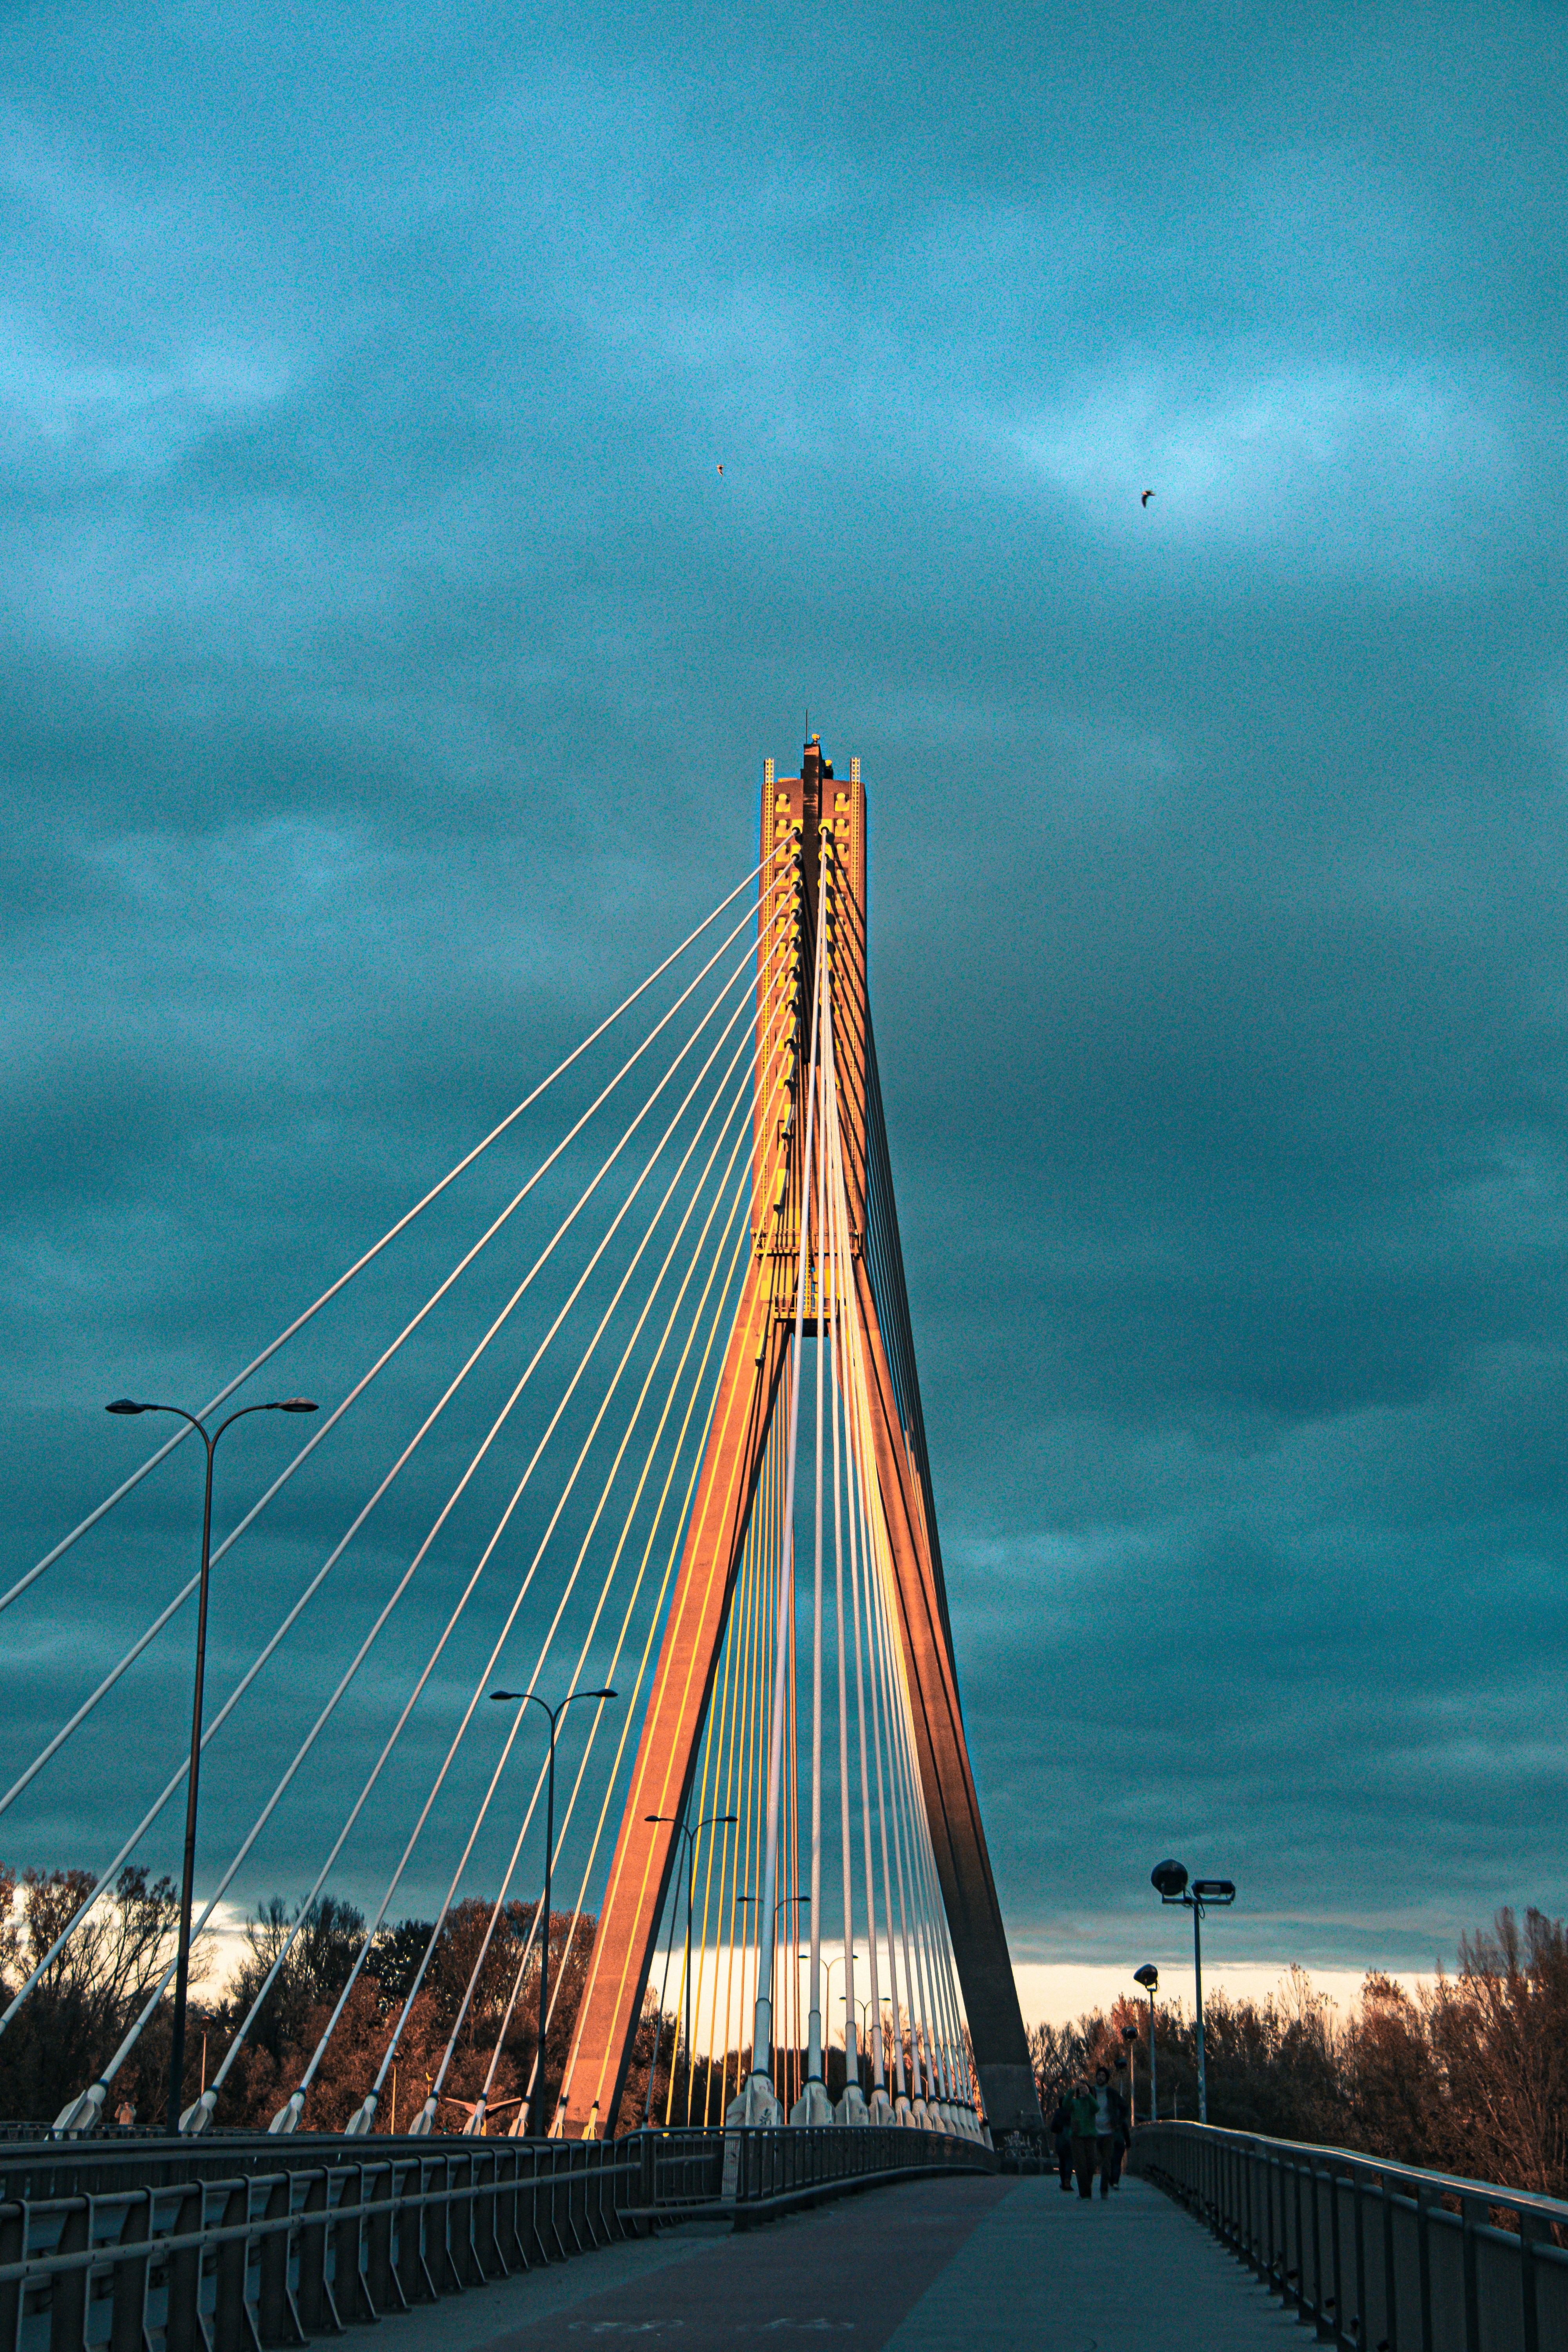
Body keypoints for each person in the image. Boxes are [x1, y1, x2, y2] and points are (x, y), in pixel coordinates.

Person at [1067, 2075, 1098, 2199]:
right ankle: (1085, 2193)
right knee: (1081, 2166)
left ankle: (1087, 2189)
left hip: (1090, 2137)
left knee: (1091, 2165)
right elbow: (1065, 2105)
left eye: (1084, 2088)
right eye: (1080, 2089)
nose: (1082, 2090)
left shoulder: (1091, 2102)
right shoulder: (1075, 2102)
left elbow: (1096, 2108)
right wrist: (1071, 2091)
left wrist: (1089, 2095)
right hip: (1077, 2137)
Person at [1091, 2063, 1119, 2198]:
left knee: (1107, 2161)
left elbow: (1123, 2107)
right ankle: (1087, 2189)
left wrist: (1116, 2121)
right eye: (1099, 2075)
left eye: (1103, 2076)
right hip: (1094, 2131)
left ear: (1107, 2079)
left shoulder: (1111, 2093)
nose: (1100, 2078)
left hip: (1108, 2132)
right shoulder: (1091, 2091)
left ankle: (1104, 2190)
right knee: (1093, 2160)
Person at [1109, 2056, 1132, 2187]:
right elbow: (1126, 2130)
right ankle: (1115, 2182)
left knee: (1111, 2160)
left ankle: (1111, 2180)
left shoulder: (1110, 2115)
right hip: (1119, 2142)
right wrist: (1128, 2143)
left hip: (1110, 2140)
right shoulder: (1121, 2118)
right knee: (1117, 2161)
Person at [1049, 2081, 1073, 2192]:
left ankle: (1063, 2181)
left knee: (1062, 2161)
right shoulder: (1072, 2112)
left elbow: (1053, 2127)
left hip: (1060, 2139)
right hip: (1070, 2137)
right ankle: (1068, 2180)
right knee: (1069, 2160)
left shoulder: (1058, 2113)